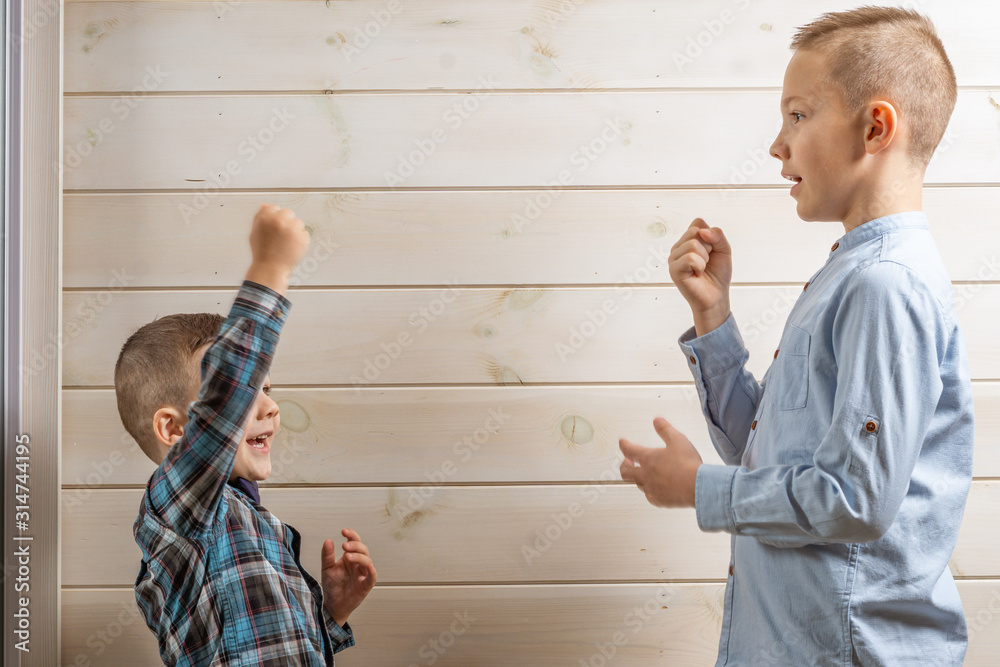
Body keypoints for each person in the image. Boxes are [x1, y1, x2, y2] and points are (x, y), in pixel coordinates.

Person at [618, 7, 973, 665]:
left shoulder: (885, 285)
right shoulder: (850, 276)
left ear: (875, 127)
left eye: (798, 115)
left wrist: (701, 487)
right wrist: (713, 319)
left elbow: (853, 500)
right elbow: (779, 459)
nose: (777, 146)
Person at [115, 204, 376, 665]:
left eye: (268, 389)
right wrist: (271, 268)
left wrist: (329, 613)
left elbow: (269, 646)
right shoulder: (181, 516)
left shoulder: (258, 526)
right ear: (174, 429)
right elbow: (224, 400)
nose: (271, 406)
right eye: (245, 392)